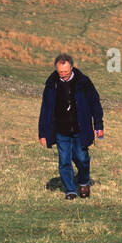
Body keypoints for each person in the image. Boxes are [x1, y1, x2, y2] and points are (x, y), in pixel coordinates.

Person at [37, 53, 104, 200]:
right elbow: (45, 110)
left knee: (82, 158)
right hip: (61, 131)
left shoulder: (84, 82)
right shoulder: (51, 84)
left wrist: (98, 125)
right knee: (64, 160)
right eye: (60, 72)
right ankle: (71, 190)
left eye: (66, 72)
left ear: (72, 68)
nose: (64, 75)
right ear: (56, 70)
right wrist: (42, 133)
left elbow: (95, 103)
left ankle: (84, 182)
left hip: (81, 129)